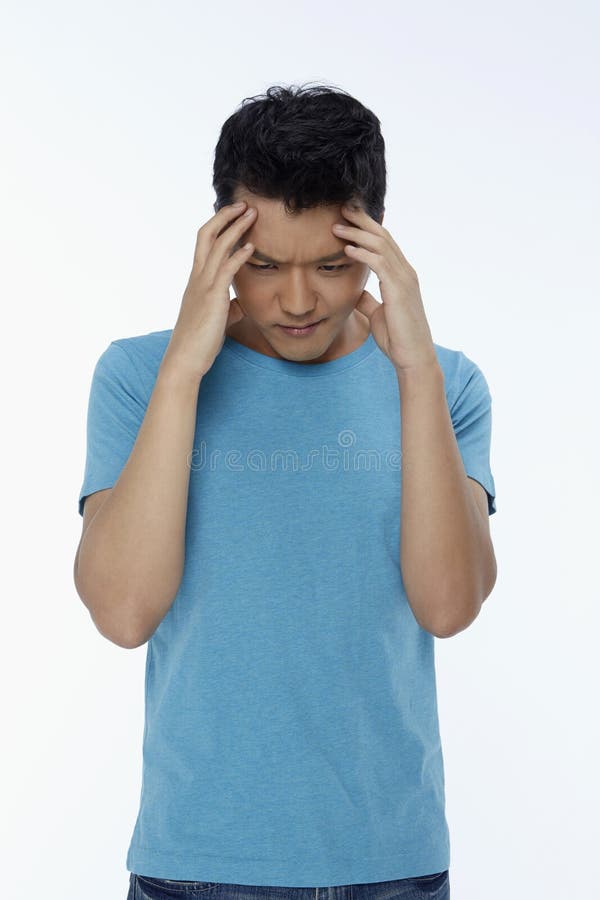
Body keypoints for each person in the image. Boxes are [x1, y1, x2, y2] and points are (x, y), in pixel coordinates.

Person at [75, 83, 497, 900]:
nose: (297, 300)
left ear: (376, 245)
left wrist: (412, 372)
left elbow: (449, 606)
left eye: (332, 266)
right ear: (220, 248)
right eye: (263, 267)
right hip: (196, 868)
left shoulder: (447, 384)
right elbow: (123, 613)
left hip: (393, 868)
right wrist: (186, 372)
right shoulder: (137, 377)